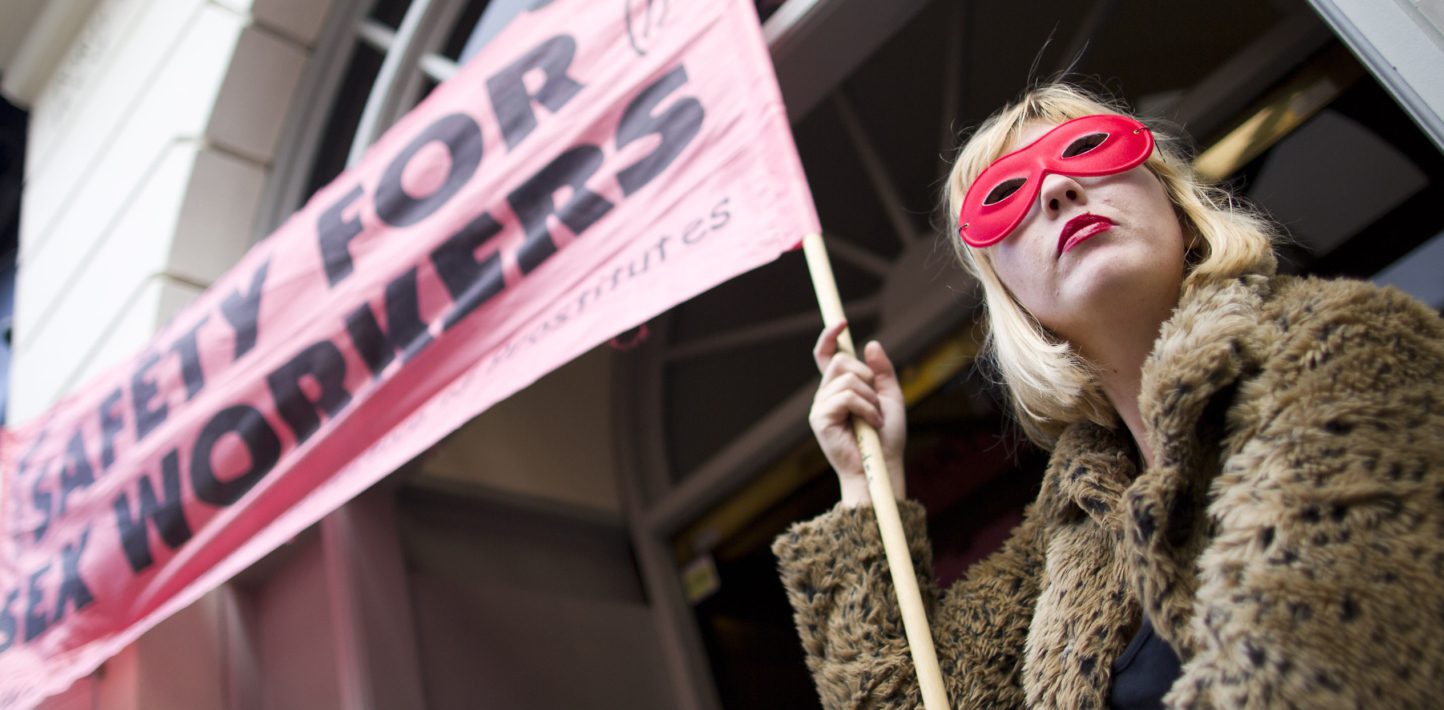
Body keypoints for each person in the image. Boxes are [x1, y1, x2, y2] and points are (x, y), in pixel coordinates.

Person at [773, 83, 1444, 709]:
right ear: (1013, 300)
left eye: (1089, 148)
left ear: (1178, 208)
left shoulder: (1347, 346)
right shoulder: (1074, 526)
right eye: (1005, 195)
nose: (1057, 187)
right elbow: (907, 697)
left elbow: (1322, 663)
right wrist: (867, 485)